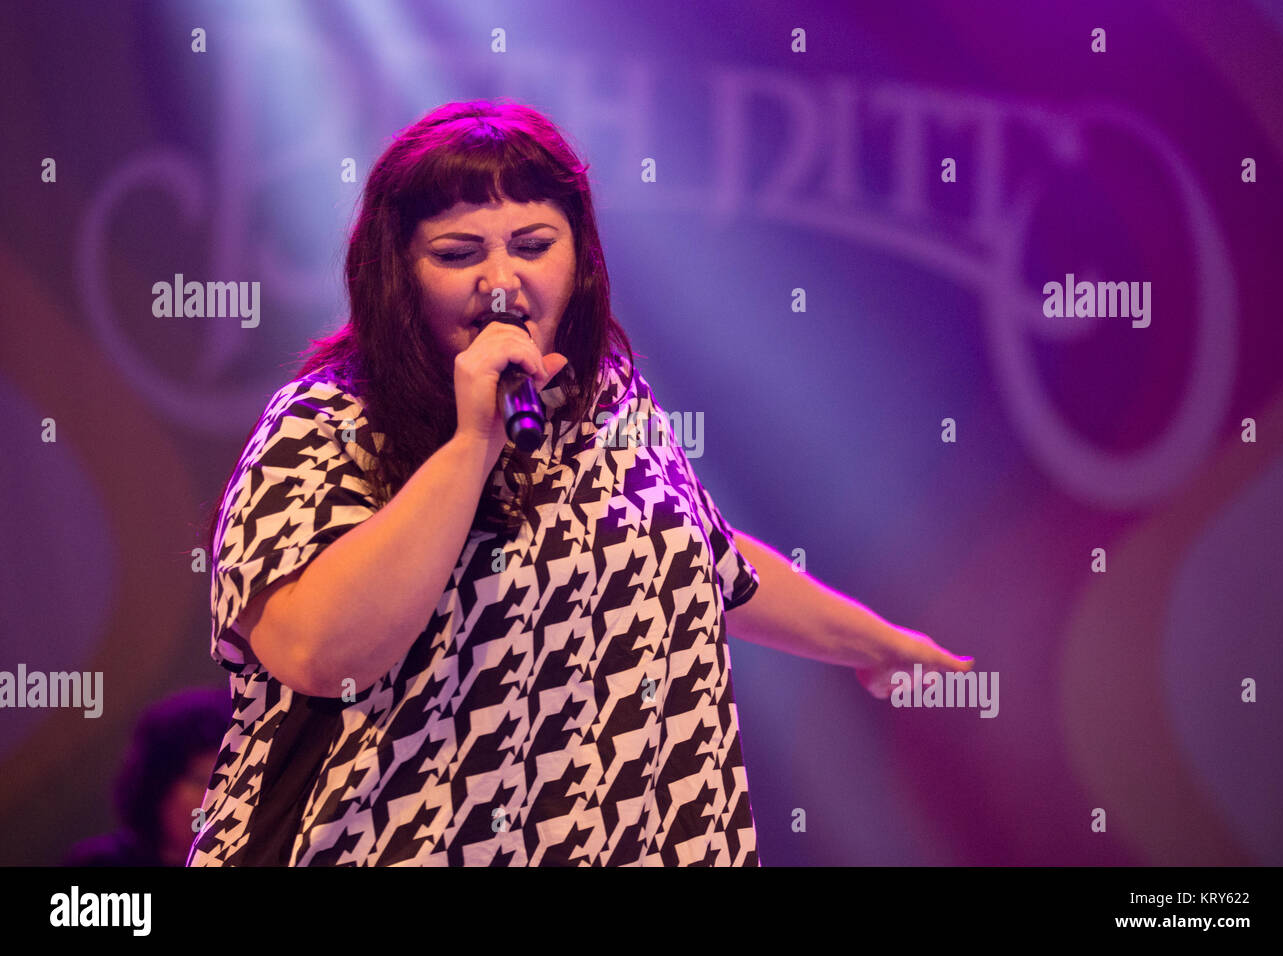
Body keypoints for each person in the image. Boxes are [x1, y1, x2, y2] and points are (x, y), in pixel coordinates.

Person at [187, 99, 972, 867]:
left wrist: (878, 643)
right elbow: (320, 654)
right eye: (458, 254)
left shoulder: (609, 399)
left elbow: (710, 563)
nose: (502, 281)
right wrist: (472, 446)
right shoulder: (327, 420)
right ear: (399, 272)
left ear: (580, 256)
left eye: (533, 245)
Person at [64, 687, 226, 866]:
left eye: (226, 782)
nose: (214, 797)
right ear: (158, 785)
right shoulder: (99, 862)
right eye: (200, 780)